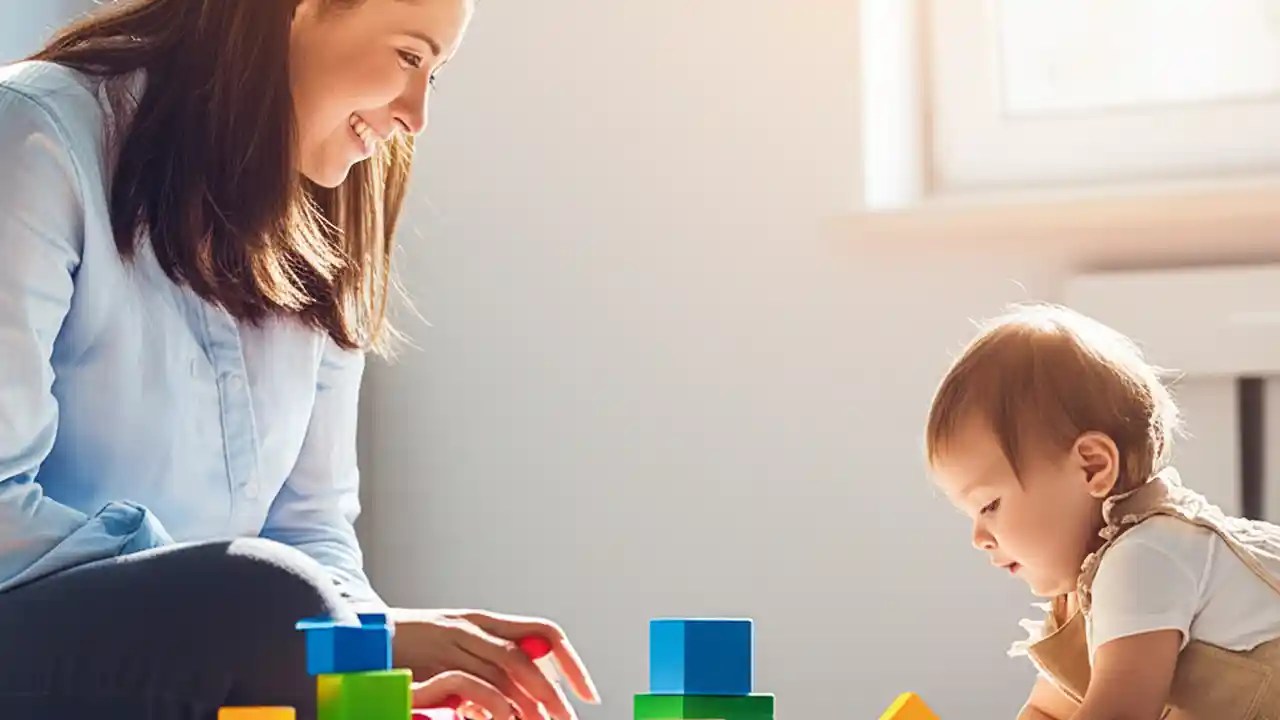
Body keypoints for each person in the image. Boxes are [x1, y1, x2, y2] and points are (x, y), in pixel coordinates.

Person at [0, 1, 600, 718]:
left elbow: (309, 528)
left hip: (215, 631)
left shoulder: (334, 208)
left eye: (433, 77)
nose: (415, 115)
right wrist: (293, 628)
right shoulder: (34, 134)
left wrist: (368, 647)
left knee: (298, 617)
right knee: (266, 601)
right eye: (409, 57)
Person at [924, 302, 1280, 719]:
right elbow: (1047, 710)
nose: (979, 537)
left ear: (1092, 466)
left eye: (990, 505)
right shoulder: (1085, 591)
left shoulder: (1144, 558)